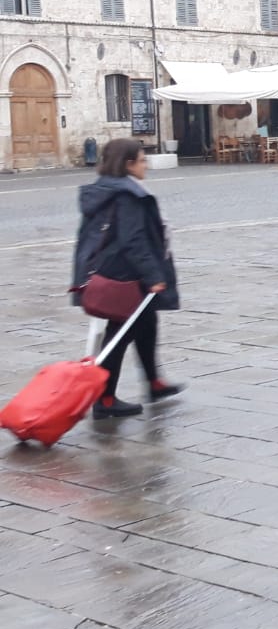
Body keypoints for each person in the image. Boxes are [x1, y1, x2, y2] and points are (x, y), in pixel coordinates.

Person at [71, 139, 182, 419]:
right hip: (126, 274)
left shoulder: (105, 189)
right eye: (142, 160)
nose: (146, 165)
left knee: (146, 323)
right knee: (119, 335)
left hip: (111, 268)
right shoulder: (127, 195)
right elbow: (134, 240)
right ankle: (105, 399)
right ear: (128, 164)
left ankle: (154, 381)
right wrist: (154, 276)